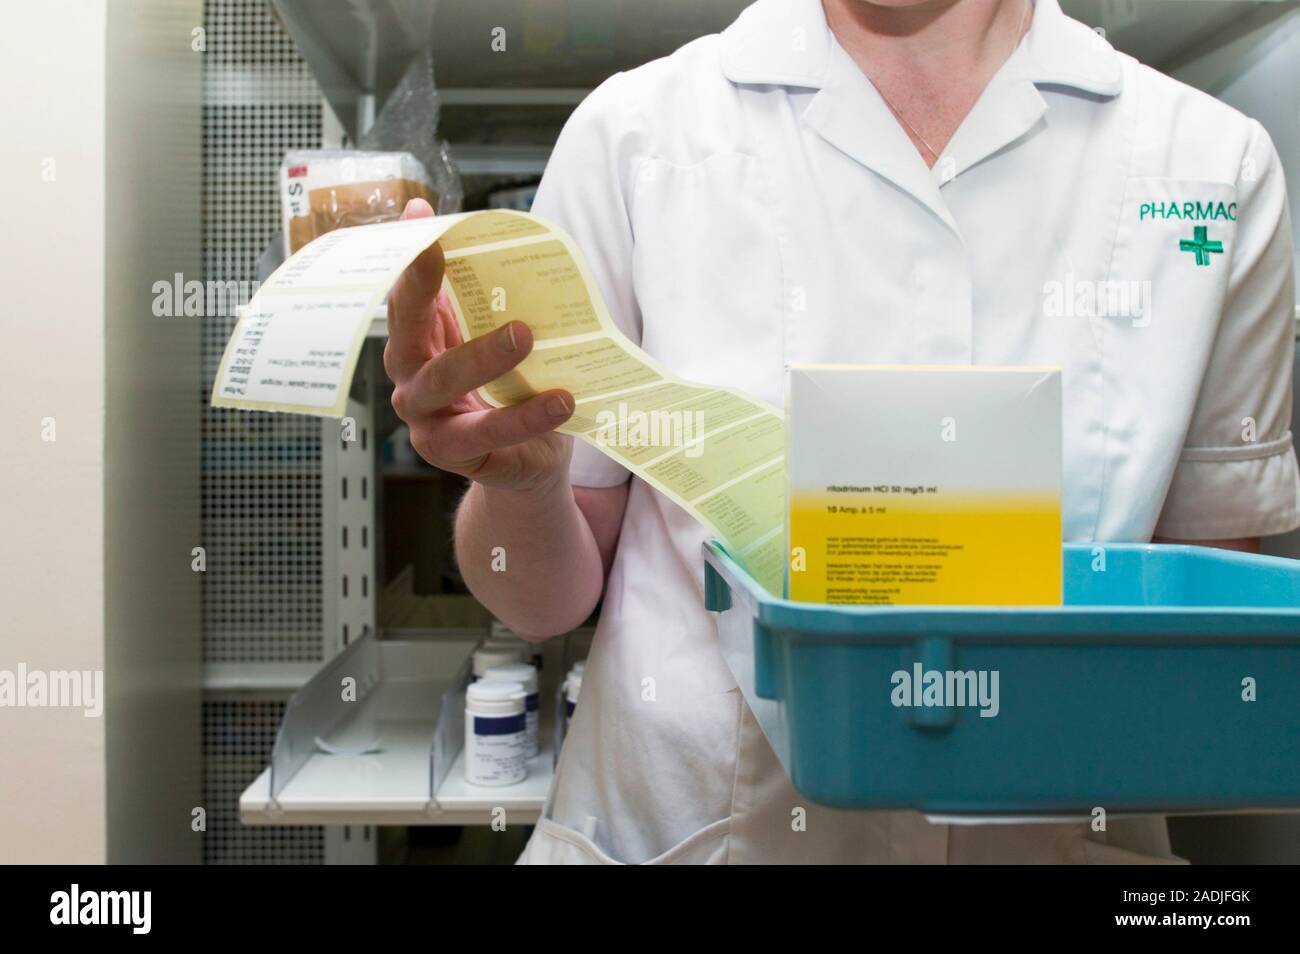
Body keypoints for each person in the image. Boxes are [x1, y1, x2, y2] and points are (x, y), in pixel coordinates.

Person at [385, 0, 1298, 863]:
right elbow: (544, 602)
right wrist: (523, 483)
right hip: (694, 831)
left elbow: (1204, 628)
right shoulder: (637, 138)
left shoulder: (1211, 167)